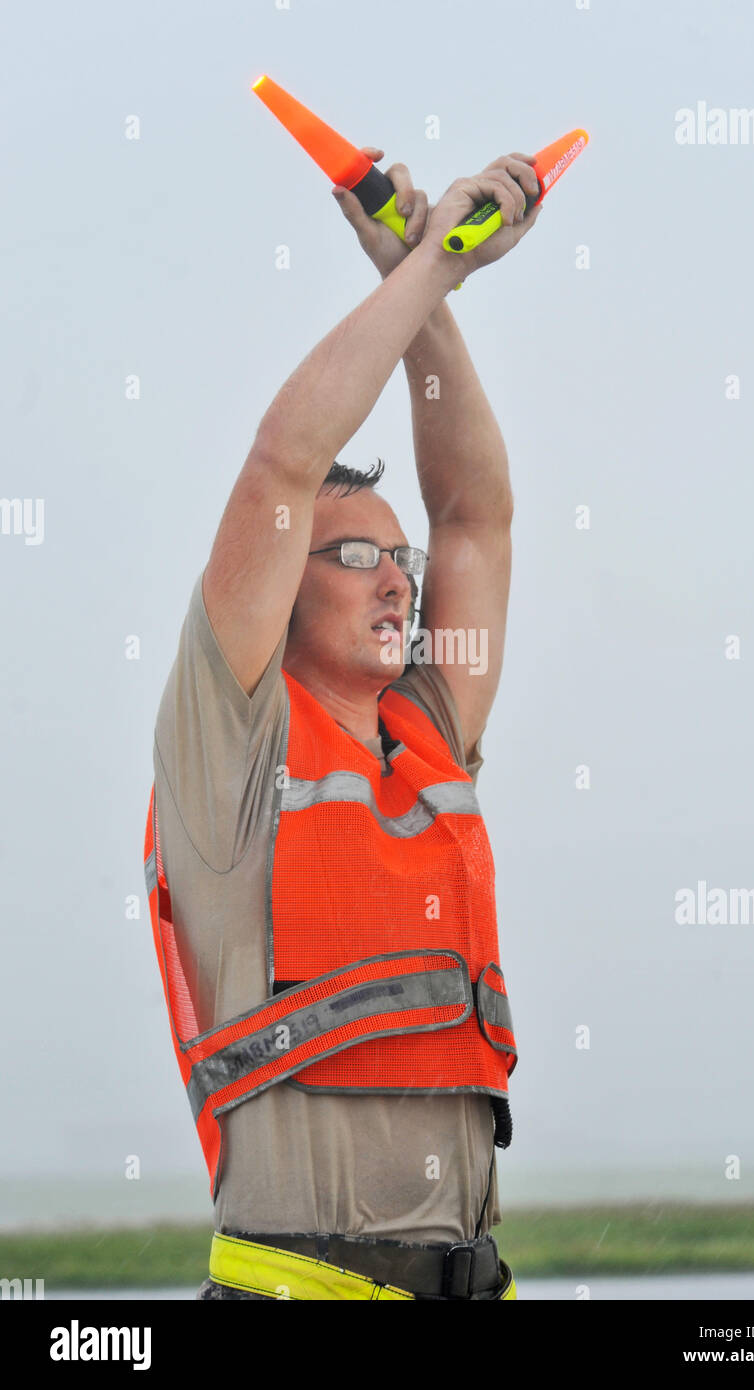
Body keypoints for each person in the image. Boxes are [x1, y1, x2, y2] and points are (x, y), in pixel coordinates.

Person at [143, 146, 543, 1300]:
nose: (395, 582)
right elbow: (286, 459)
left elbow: (477, 517)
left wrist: (430, 304)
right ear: (280, 584)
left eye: (397, 559)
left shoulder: (428, 729)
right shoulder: (232, 741)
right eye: (354, 556)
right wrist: (422, 270)